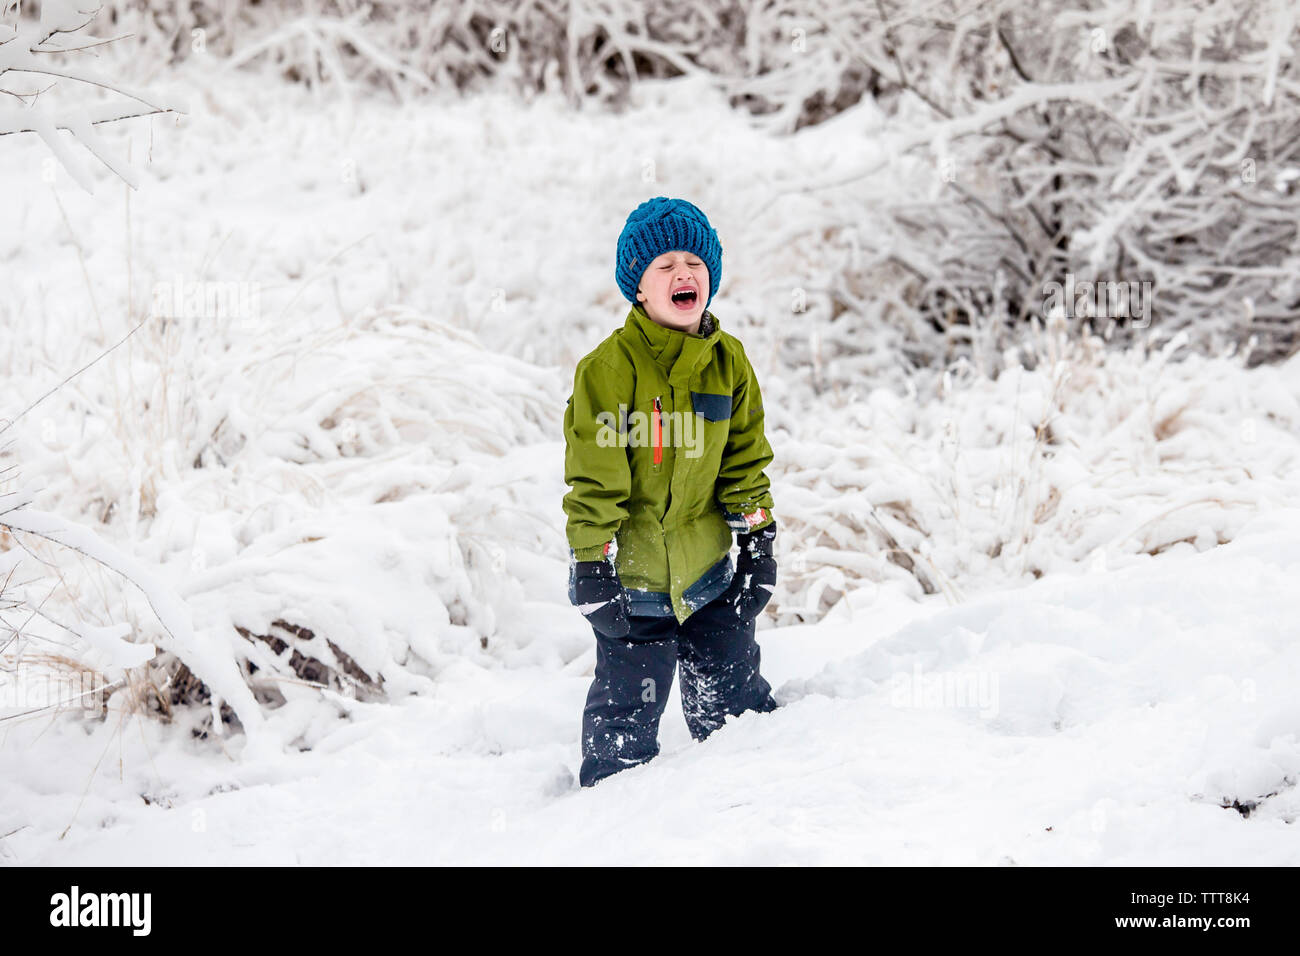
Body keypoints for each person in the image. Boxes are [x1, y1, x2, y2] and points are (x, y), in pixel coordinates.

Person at [562, 196, 780, 788]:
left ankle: (749, 808)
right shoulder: (608, 369)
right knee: (625, 719)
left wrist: (758, 543)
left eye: (694, 261)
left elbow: (744, 460)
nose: (683, 272)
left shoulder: (729, 362)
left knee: (739, 715)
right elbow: (594, 478)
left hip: (709, 574)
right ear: (638, 287)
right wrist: (591, 563)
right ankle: (608, 820)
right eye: (664, 265)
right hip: (634, 587)